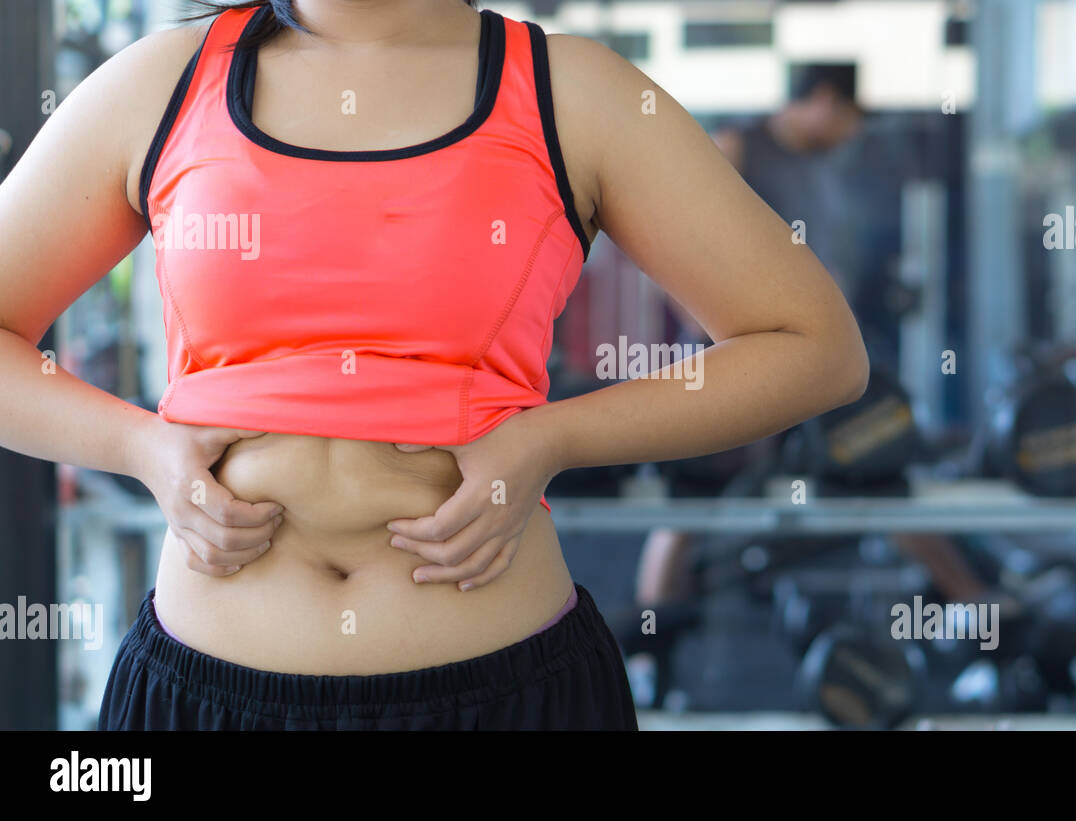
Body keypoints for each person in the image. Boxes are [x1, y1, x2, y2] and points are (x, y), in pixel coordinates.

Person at [0, 0, 867, 730]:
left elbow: (814, 346)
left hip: (505, 689)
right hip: (205, 694)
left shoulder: (573, 92)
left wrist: (552, 438)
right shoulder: (163, 82)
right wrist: (144, 449)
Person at [636, 63, 875, 608]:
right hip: (730, 356)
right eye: (851, 118)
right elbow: (664, 236)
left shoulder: (818, 166)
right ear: (824, 99)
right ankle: (653, 639)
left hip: (808, 358)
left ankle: (967, 595)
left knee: (869, 468)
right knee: (690, 507)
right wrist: (700, 318)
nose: (853, 133)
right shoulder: (737, 147)